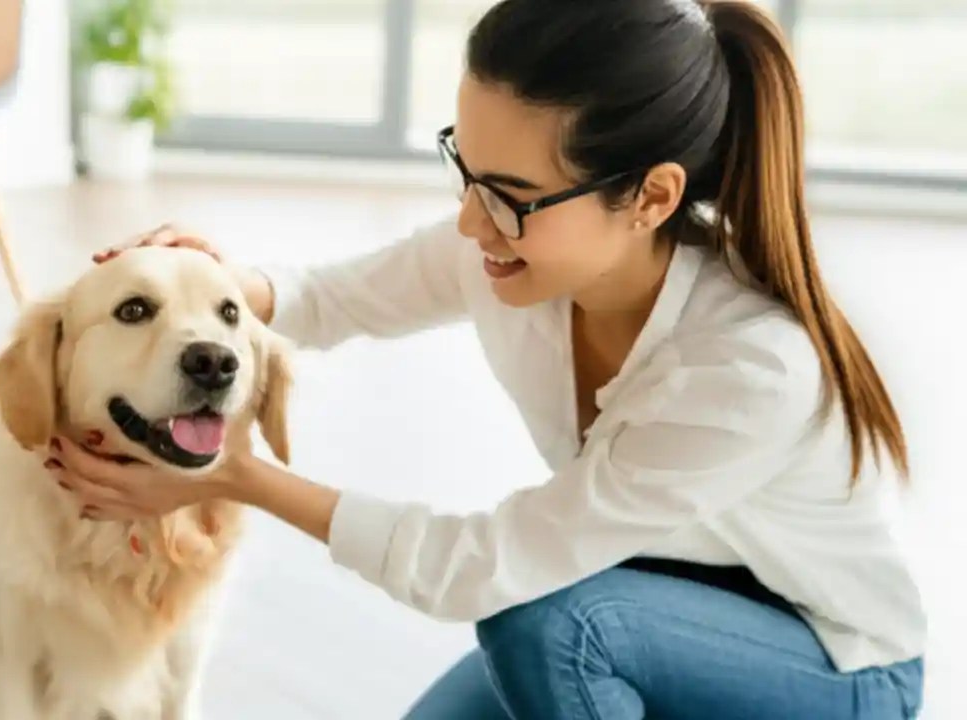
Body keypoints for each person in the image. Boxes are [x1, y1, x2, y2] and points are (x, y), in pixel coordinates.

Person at [47, 0, 927, 717]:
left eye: (508, 197)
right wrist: (220, 282)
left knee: (543, 630)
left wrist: (233, 476)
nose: (471, 223)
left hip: (834, 668)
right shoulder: (512, 251)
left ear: (652, 197)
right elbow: (333, 298)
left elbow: (480, 565)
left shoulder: (747, 370)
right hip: (637, 594)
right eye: (463, 170)